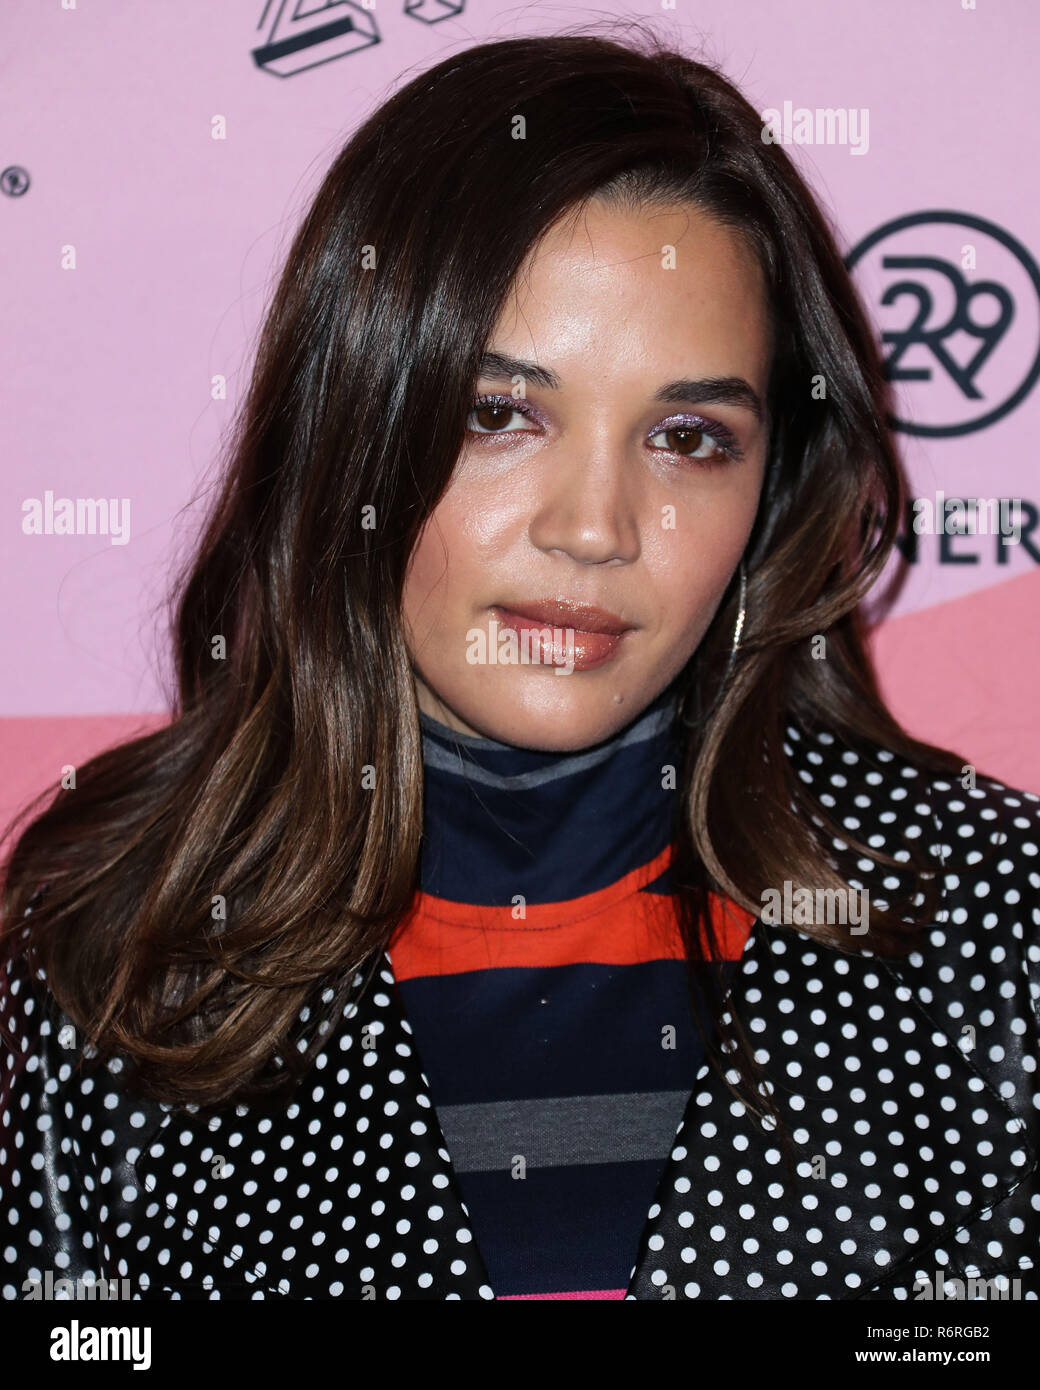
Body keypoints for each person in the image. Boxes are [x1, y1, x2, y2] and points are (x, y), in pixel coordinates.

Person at [2, 25, 1038, 1303]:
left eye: (686, 436)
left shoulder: (983, 917)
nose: (592, 528)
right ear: (355, 419)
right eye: (501, 414)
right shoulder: (120, 946)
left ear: (772, 486)